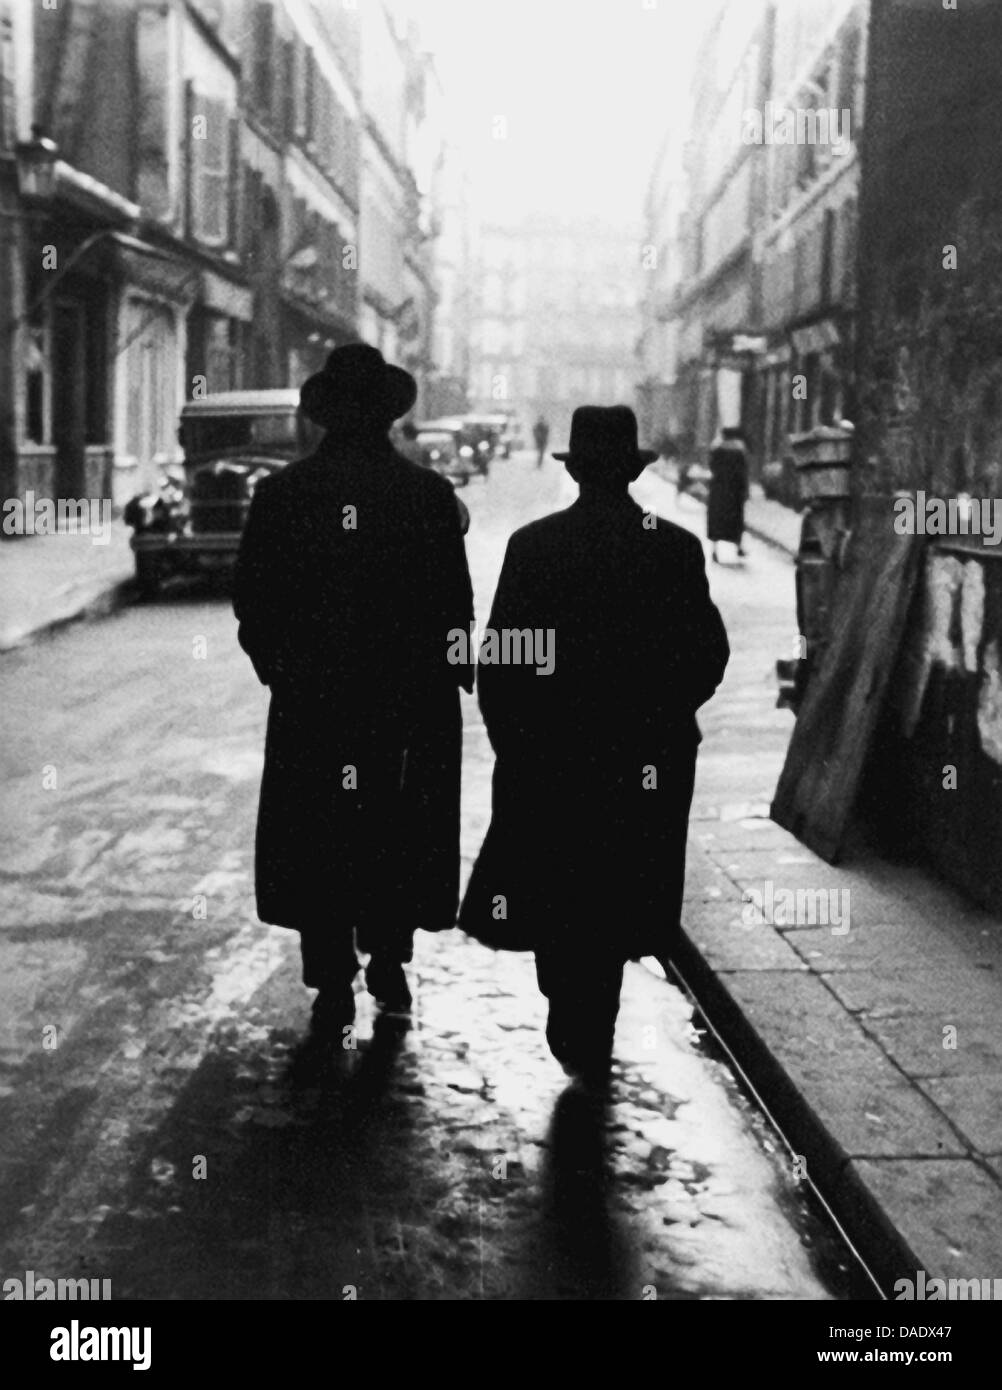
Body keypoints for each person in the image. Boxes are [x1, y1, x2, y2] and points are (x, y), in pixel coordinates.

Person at [459, 405, 729, 1087]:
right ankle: (594, 1009)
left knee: (559, 878)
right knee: (619, 883)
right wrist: (664, 717)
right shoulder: (671, 545)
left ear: (576, 469)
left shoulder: (536, 544)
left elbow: (507, 656)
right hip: (643, 757)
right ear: (631, 470)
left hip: (554, 753)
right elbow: (704, 653)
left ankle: (567, 997)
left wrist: (513, 738)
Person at [233, 344, 474, 1034]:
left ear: (326, 418)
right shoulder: (426, 496)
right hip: (406, 701)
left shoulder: (283, 495)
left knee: (319, 829)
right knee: (396, 826)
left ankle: (331, 973)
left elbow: (253, 597)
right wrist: (451, 676)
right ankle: (390, 956)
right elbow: (454, 605)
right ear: (389, 418)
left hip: (316, 699)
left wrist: (280, 667)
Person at [707, 425, 749, 563]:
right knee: (735, 520)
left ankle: (714, 549)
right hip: (734, 491)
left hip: (718, 490)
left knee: (716, 520)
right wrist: (745, 490)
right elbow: (743, 472)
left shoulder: (716, 449)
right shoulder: (739, 451)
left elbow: (712, 467)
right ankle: (738, 546)